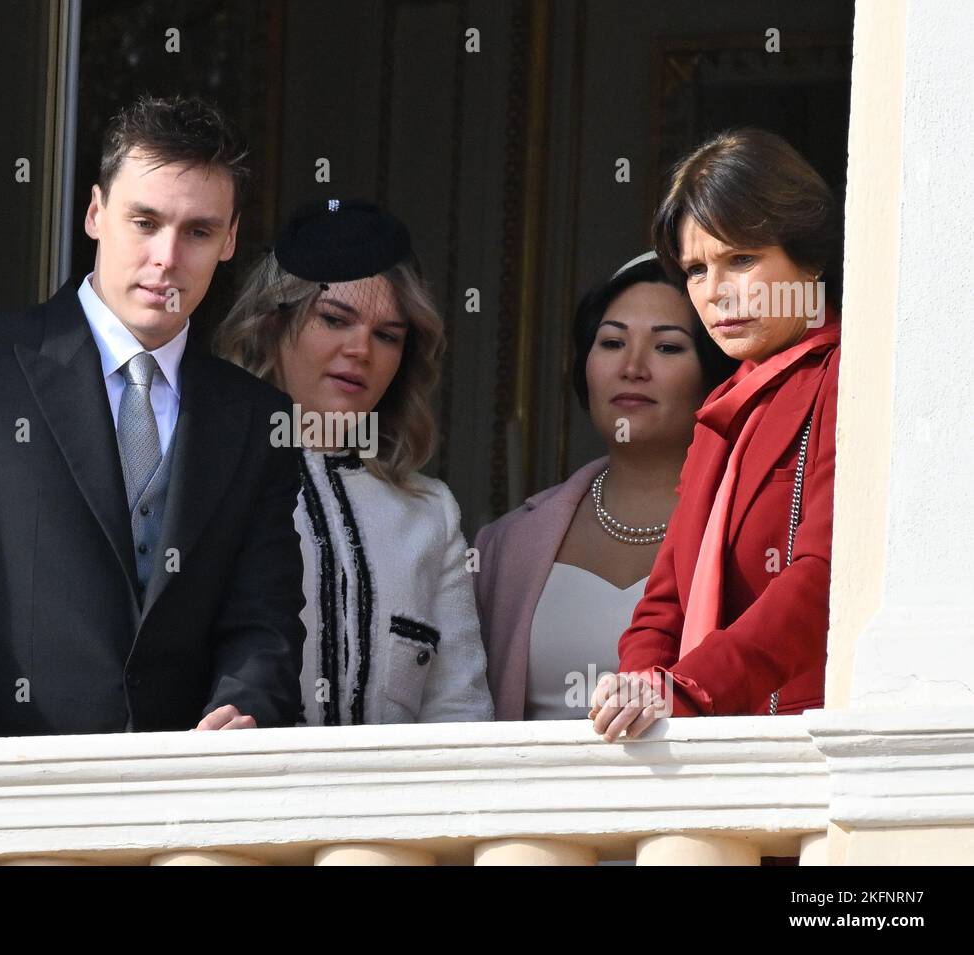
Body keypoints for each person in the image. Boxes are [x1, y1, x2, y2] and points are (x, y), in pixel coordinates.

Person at [0, 94, 306, 741]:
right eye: (145, 221)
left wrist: (244, 707)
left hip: (185, 809)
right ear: (96, 213)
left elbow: (264, 616)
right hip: (1, 795)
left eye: (197, 231)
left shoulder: (256, 417)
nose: (167, 257)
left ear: (230, 240)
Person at [590, 128, 843, 742]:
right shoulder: (722, 409)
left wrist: (689, 691)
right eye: (697, 269)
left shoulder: (849, 374)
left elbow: (823, 578)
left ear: (808, 256)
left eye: (743, 260)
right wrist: (638, 687)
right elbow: (664, 601)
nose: (716, 294)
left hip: (796, 750)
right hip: (699, 754)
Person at [215, 200, 493, 724]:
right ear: (274, 323)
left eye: (388, 335)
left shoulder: (429, 512)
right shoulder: (201, 478)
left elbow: (460, 712)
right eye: (335, 320)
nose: (361, 349)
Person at [475, 253, 736, 720]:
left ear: (711, 374)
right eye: (613, 342)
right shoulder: (507, 543)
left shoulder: (747, 526)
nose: (633, 366)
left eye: (668, 347)